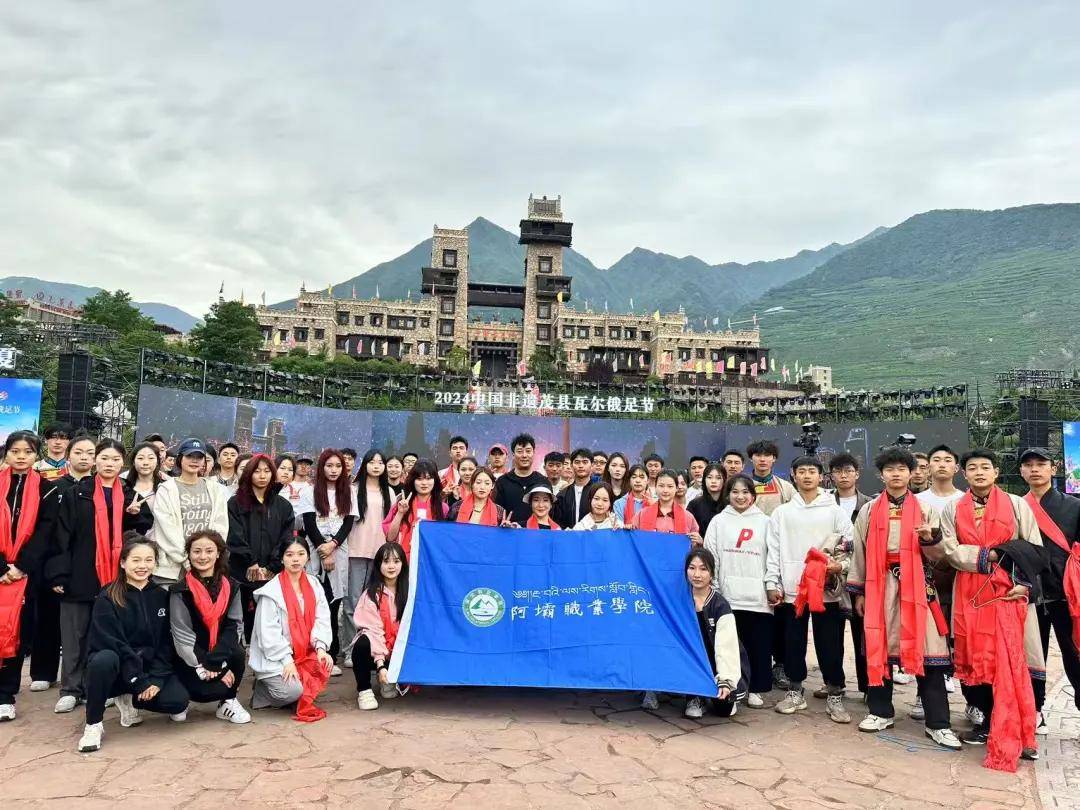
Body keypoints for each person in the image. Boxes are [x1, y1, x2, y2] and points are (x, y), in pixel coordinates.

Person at [847, 448, 962, 751]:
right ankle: (880, 711)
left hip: (919, 587)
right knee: (879, 645)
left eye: (902, 469)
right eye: (890, 469)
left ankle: (938, 723)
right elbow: (859, 552)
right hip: (880, 585)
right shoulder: (869, 510)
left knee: (930, 651)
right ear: (881, 475)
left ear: (912, 473)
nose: (896, 474)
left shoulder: (926, 509)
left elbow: (942, 556)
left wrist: (929, 540)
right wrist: (859, 592)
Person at [941, 448, 1045, 767]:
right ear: (965, 474)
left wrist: (1023, 584)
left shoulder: (1016, 504)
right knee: (975, 656)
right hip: (970, 593)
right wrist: (990, 556)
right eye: (972, 467)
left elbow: (1034, 549)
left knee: (1012, 659)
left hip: (1009, 592)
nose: (979, 472)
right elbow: (950, 549)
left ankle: (1022, 729)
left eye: (985, 467)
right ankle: (986, 721)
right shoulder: (952, 508)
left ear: (996, 472)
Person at [47, 439, 153, 714]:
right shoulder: (77, 492)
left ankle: (102, 687)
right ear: (96, 461)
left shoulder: (128, 494)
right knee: (75, 635)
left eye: (115, 459)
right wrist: (59, 574)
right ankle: (71, 689)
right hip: (81, 573)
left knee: (110, 636)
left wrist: (134, 516)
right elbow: (61, 535)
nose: (109, 464)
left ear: (122, 463)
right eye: (104, 458)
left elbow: (140, 532)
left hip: (116, 578)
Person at [76, 534, 189, 753]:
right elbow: (112, 642)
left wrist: (156, 679)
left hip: (147, 670)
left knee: (178, 702)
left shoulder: (161, 595)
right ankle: (93, 724)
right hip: (119, 670)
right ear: (123, 562)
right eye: (136, 560)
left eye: (148, 560)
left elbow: (165, 643)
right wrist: (138, 681)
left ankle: (130, 699)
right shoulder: (108, 596)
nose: (142, 566)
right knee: (103, 659)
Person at [765, 455, 853, 723]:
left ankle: (834, 691)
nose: (806, 476)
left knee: (830, 643)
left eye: (811, 471)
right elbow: (773, 550)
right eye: (801, 471)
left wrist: (839, 566)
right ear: (793, 475)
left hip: (825, 590)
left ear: (821, 476)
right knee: (793, 642)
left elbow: (849, 545)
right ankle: (795, 691)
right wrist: (772, 582)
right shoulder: (782, 513)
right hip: (793, 590)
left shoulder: (834, 511)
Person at [0, 432, 59, 720]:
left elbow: (45, 532)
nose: (21, 456)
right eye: (15, 451)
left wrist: (21, 566)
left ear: (37, 454)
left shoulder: (48, 489)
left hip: (27, 575)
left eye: (28, 451)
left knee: (17, 633)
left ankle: (5, 694)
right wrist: (1, 567)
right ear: (6, 453)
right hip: (1, 569)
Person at [1018, 447, 1080, 721]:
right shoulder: (1015, 506)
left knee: (1075, 652)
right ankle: (1034, 710)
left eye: (1041, 464)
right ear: (1021, 471)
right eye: (1028, 465)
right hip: (1029, 592)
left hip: (1065, 592)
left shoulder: (1074, 506)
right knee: (1032, 654)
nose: (1035, 469)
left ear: (1053, 469)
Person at [30, 432, 95, 692]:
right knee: (47, 617)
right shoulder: (53, 486)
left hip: (83, 564)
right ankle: (43, 672)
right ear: (68, 456)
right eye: (79, 452)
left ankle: (84, 679)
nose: (84, 458)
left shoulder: (100, 489)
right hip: (51, 559)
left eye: (90, 453)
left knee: (80, 626)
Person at [169, 530, 250, 724]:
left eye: (209, 551)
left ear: (218, 553)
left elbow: (234, 626)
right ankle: (182, 699)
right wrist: (206, 664)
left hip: (218, 656)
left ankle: (227, 702)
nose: (203, 556)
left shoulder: (232, 586)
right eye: (196, 551)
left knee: (238, 653)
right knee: (200, 694)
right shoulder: (180, 590)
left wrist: (216, 662)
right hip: (191, 658)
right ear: (189, 554)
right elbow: (182, 635)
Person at [705, 475, 772, 707]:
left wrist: (771, 585)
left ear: (753, 495)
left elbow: (772, 556)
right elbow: (711, 555)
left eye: (745, 492)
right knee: (730, 647)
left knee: (758, 644)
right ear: (728, 495)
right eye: (735, 492)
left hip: (757, 596)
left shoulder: (765, 522)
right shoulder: (718, 522)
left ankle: (756, 688)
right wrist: (715, 588)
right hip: (728, 595)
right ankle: (732, 686)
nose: (740, 497)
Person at [249, 537, 333, 719]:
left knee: (324, 664)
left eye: (301, 554)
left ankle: (287, 689)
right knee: (293, 692)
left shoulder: (314, 584)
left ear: (308, 558)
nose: (295, 559)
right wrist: (287, 661)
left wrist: (320, 648)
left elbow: (322, 618)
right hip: (277, 656)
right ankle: (263, 693)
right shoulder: (271, 591)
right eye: (289, 555)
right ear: (282, 559)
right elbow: (268, 634)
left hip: (304, 651)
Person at [298, 449, 357, 673]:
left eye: (338, 466)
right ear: (321, 467)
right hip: (315, 551)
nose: (334, 470)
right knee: (314, 601)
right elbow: (309, 523)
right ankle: (310, 653)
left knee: (333, 603)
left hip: (338, 550)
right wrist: (324, 550)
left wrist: (333, 546)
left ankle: (330, 655)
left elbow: (348, 523)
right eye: (329, 466)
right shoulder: (310, 491)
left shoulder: (349, 491)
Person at [226, 454, 296, 641]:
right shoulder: (235, 503)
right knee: (241, 616)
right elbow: (234, 535)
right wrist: (251, 562)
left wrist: (272, 566)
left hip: (272, 573)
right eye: (257, 471)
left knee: (271, 618)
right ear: (249, 474)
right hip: (242, 571)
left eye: (267, 471)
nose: (262, 476)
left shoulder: (283, 506)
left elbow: (286, 538)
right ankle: (244, 649)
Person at [916, 444, 966, 697]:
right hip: (925, 576)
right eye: (936, 460)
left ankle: (967, 690)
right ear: (928, 467)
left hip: (961, 574)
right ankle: (925, 692)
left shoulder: (965, 500)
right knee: (929, 634)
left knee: (960, 631)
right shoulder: (917, 501)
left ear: (956, 468)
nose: (942, 464)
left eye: (948, 460)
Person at [152, 438, 229, 587]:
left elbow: (221, 526)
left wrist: (207, 556)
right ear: (180, 458)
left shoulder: (215, 489)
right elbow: (166, 528)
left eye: (199, 457)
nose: (194, 461)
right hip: (172, 567)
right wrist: (187, 560)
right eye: (189, 456)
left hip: (206, 564)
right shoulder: (166, 489)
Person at [829, 452, 874, 697]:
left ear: (857, 474)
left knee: (863, 634)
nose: (843, 475)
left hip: (860, 576)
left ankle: (868, 687)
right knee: (831, 635)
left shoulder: (870, 505)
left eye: (848, 471)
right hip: (832, 578)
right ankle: (834, 683)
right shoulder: (825, 504)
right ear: (831, 476)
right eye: (838, 471)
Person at [683, 548, 744, 719]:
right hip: (692, 660)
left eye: (703, 569)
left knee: (724, 710)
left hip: (716, 661)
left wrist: (725, 679)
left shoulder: (720, 605)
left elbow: (727, 646)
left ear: (711, 573)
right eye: (692, 568)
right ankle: (695, 697)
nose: (697, 574)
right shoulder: (681, 600)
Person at [353, 541, 408, 710]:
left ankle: (392, 679)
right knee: (362, 642)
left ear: (403, 564)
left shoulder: (410, 593)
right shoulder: (370, 595)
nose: (391, 566)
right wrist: (380, 665)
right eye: (386, 561)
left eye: (396, 561)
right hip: (377, 652)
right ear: (378, 565)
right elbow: (373, 631)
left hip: (399, 650)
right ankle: (365, 690)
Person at [346, 450, 390, 628]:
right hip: (355, 550)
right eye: (372, 462)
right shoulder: (353, 489)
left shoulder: (388, 492)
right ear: (365, 465)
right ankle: (350, 644)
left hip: (379, 553)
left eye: (380, 462)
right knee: (353, 601)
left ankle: (368, 641)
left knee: (372, 601)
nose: (376, 466)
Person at [383, 460, 447, 560]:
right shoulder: (402, 504)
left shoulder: (442, 507)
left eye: (428, 478)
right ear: (413, 480)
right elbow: (390, 538)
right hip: (405, 559)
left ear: (435, 480)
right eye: (419, 479)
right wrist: (400, 513)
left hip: (431, 560)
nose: (424, 483)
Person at [631, 470, 702, 546]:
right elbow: (632, 541)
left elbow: (694, 546)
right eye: (661, 486)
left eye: (670, 486)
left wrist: (699, 542)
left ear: (676, 488)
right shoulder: (642, 514)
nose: (665, 490)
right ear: (655, 487)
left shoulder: (688, 517)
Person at [493, 434, 547, 525]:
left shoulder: (543, 482)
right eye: (520, 451)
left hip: (536, 532)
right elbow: (496, 513)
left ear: (534, 453)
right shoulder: (502, 482)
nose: (524, 455)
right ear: (513, 454)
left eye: (528, 451)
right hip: (509, 531)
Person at [555, 447, 595, 528]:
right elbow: (557, 524)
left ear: (592, 465)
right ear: (571, 465)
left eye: (585, 462)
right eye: (577, 462)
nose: (581, 466)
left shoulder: (598, 492)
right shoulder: (562, 495)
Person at [687, 463, 727, 534]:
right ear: (704, 480)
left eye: (718, 478)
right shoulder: (694, 504)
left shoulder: (730, 504)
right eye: (709, 477)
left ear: (724, 480)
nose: (713, 481)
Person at [125, 442, 162, 514]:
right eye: (140, 458)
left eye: (151, 458)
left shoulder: (164, 487)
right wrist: (127, 512)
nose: (145, 463)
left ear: (157, 461)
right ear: (133, 462)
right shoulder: (124, 487)